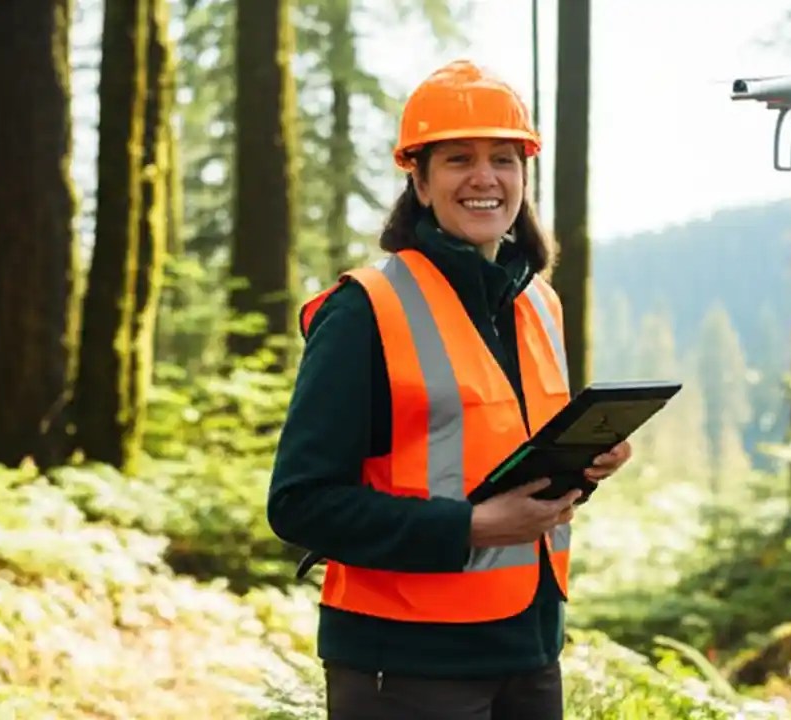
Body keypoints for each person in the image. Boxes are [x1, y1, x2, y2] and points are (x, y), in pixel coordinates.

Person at [266, 59, 632, 720]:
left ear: (525, 175)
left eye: (504, 158)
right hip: (404, 666)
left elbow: (499, 467)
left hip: (528, 650)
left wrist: (585, 465)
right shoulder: (363, 311)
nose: (485, 178)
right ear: (420, 179)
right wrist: (471, 526)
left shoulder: (539, 305)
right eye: (459, 158)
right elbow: (300, 505)